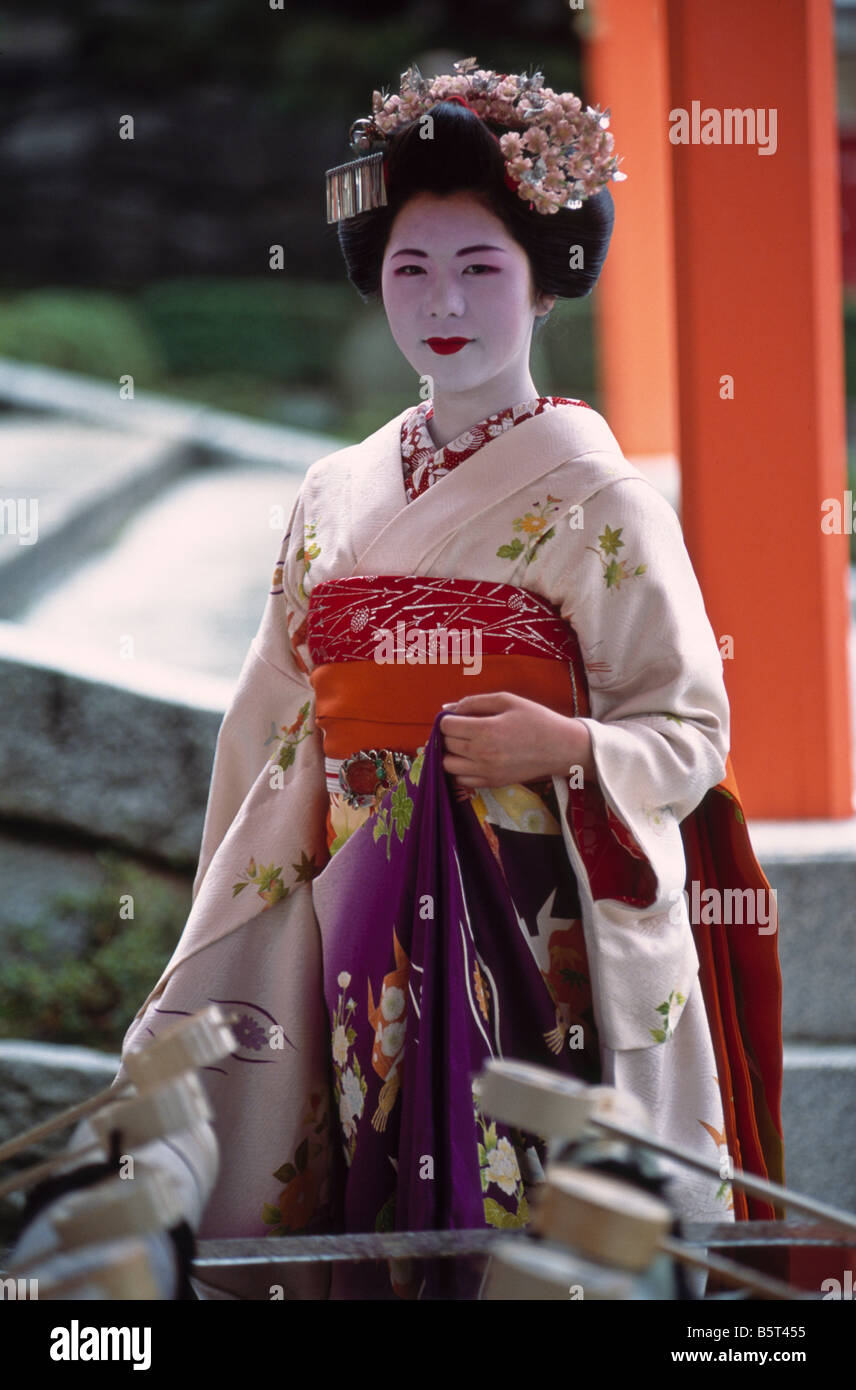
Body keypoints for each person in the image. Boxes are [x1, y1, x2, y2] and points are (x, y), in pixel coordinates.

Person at [11, 59, 783, 1300]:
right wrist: (239, 906)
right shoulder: (333, 493)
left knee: (522, 1199)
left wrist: (565, 746)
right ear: (375, 283)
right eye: (411, 268)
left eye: (482, 268)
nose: (444, 301)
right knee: (363, 1169)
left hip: (532, 921)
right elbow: (270, 712)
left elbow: (687, 723)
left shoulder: (602, 500)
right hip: (354, 894)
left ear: (542, 289)